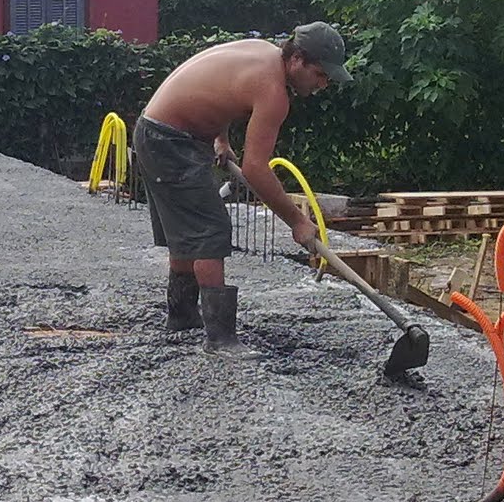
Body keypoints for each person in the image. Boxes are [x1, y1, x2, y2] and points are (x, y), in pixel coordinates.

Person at [134, 21, 352, 350]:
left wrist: (221, 138)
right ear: (298, 61)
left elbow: (220, 91)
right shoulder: (274, 92)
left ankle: (181, 316)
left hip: (157, 132)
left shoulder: (262, 53)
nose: (323, 84)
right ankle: (220, 340)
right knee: (210, 230)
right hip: (171, 141)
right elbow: (255, 168)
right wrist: (297, 222)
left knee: (188, 231)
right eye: (321, 74)